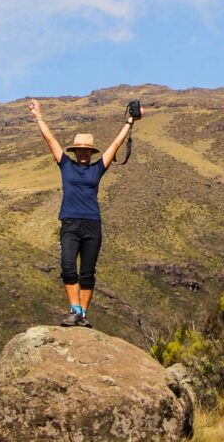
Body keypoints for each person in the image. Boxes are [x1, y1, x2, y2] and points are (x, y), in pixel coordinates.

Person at [28, 98, 137, 327]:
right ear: (76, 151)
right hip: (70, 224)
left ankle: (83, 316)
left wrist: (130, 121)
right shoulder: (65, 165)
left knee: (87, 273)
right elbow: (50, 139)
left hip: (92, 225)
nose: (84, 154)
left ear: (91, 153)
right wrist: (38, 115)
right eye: (81, 151)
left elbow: (115, 145)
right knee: (68, 267)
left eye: (88, 151)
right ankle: (74, 310)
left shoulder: (98, 168)